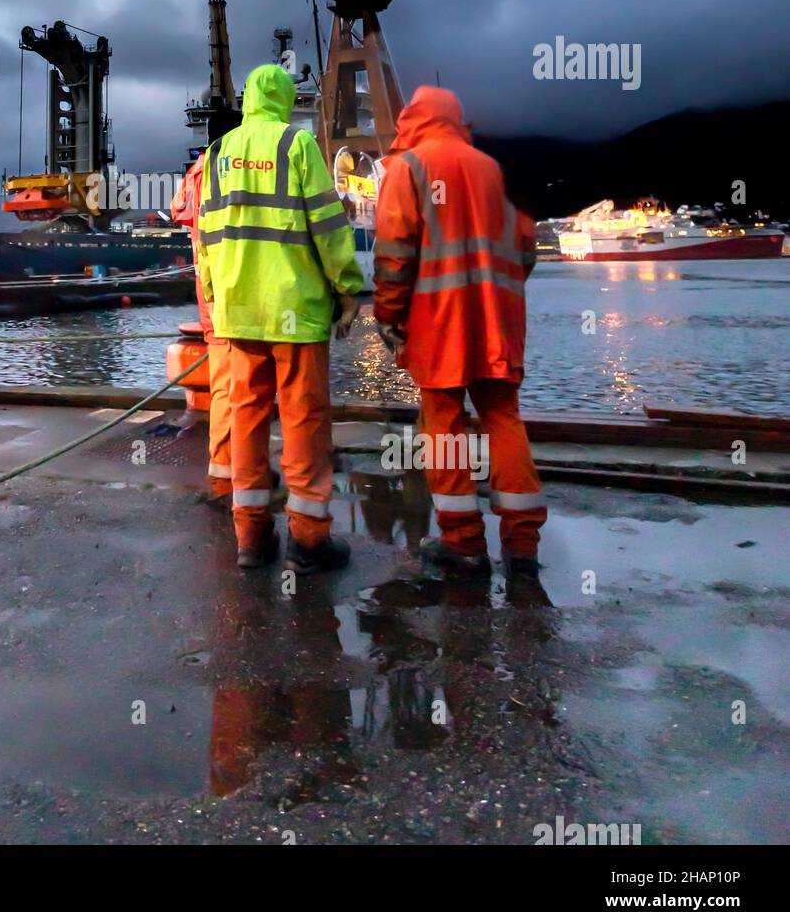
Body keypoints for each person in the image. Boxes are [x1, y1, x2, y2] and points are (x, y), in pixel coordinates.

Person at [197, 63, 364, 573]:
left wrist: (213, 295)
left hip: (237, 312)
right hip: (294, 311)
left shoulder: (217, 153)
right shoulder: (296, 145)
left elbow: (205, 239)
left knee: (245, 418)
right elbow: (329, 226)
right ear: (287, 99)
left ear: (247, 99)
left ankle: (251, 540)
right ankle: (309, 541)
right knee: (304, 420)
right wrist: (349, 287)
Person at [372, 86, 544, 577]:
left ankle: (464, 543)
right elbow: (527, 250)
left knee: (443, 422)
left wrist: (388, 316)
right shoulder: (499, 169)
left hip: (438, 322)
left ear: (412, 123)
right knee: (503, 417)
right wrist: (497, 291)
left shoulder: (410, 168)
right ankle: (523, 544)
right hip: (499, 319)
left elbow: (393, 255)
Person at [171, 141, 233, 506]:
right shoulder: (289, 150)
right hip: (272, 307)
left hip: (215, 307)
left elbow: (182, 212)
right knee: (292, 398)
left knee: (226, 392)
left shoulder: (197, 172)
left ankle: (224, 475)